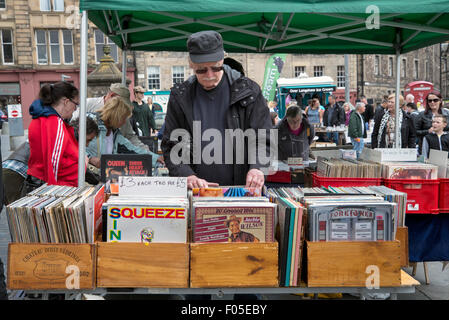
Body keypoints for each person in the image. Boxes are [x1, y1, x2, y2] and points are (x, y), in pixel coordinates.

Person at [161, 30, 272, 191]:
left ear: (222, 59)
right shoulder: (180, 97)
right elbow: (172, 145)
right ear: (191, 64)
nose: (210, 75)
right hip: (197, 194)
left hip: (242, 192)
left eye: (215, 68)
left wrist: (258, 168)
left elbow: (265, 139)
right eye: (201, 70)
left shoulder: (249, 91)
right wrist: (186, 175)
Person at [2, 117, 100, 204]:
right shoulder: (66, 138)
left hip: (13, 170)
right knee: (22, 217)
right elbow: (79, 169)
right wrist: (100, 180)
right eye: (88, 140)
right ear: (81, 133)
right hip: (15, 174)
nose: (87, 145)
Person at [71, 83, 151, 164]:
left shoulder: (118, 124)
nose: (124, 121)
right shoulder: (87, 105)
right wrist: (89, 158)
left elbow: (129, 137)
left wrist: (148, 154)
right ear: (112, 96)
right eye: (121, 103)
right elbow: (72, 139)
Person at [26, 82, 81, 192]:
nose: (75, 109)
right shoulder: (54, 121)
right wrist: (53, 192)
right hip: (55, 186)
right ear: (66, 102)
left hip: (42, 182)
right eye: (76, 104)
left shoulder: (41, 118)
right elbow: (53, 161)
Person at [86, 97, 163, 168]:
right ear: (116, 116)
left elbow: (133, 149)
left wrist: (156, 158)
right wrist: (89, 158)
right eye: (123, 119)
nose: (124, 123)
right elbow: (74, 146)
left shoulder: (115, 132)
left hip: (101, 177)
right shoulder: (90, 122)